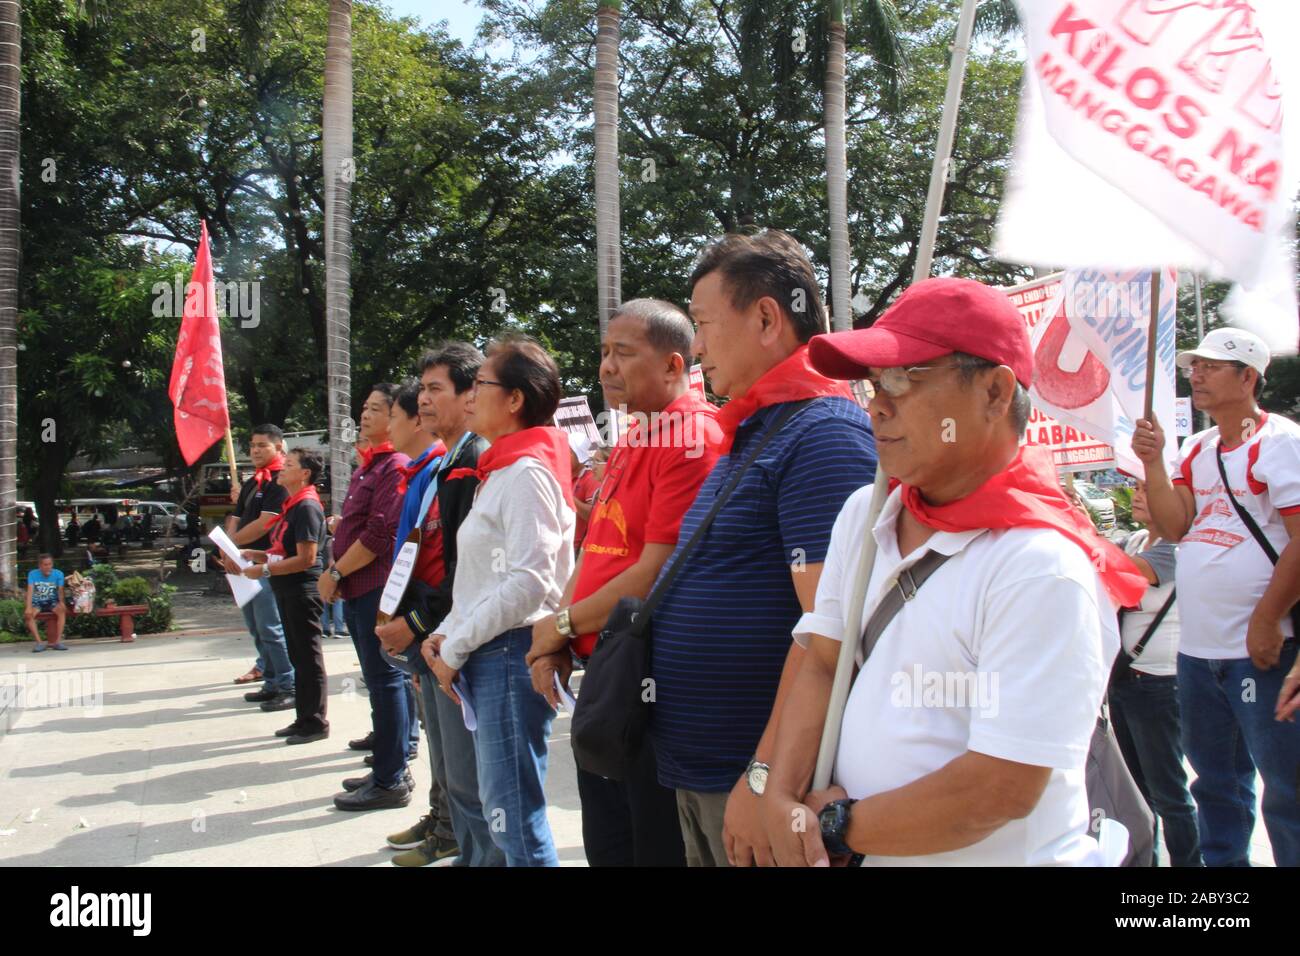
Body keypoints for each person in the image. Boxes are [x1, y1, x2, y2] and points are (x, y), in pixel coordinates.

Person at [754, 276, 1144, 866]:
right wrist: (780, 797)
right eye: (873, 383)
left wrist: (833, 829)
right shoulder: (866, 511)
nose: (878, 403)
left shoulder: (1040, 565)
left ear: (993, 392)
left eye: (904, 378)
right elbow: (822, 660)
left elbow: (997, 788)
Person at [643, 230, 877, 867]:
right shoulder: (761, 428)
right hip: (711, 773)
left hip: (753, 783)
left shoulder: (823, 437)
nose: (697, 347)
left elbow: (829, 639)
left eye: (704, 324)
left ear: (767, 318)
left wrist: (766, 778)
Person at [527, 298, 723, 866]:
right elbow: (596, 552)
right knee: (611, 844)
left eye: (625, 353)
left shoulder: (694, 439)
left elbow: (656, 570)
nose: (607, 367)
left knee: (652, 845)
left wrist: (558, 625)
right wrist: (558, 635)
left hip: (654, 682)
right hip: (607, 671)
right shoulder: (639, 434)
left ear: (673, 365)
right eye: (605, 353)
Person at [1133, 327, 1300, 867]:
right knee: (1215, 786)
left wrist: (1267, 620)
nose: (1195, 376)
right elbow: (1177, 525)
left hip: (1265, 652)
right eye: (1193, 367)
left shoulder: (1281, 442)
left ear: (1248, 377)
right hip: (1199, 655)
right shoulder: (1198, 447)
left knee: (1287, 793)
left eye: (1210, 367)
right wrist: (1155, 462)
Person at [421, 334, 575, 867]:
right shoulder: (504, 470)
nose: (470, 398)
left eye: (481, 385)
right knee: (501, 811)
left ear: (514, 399)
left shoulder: (527, 473)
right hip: (491, 650)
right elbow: (484, 579)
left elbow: (531, 582)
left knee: (514, 817)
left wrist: (456, 643)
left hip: (508, 653)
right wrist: (449, 632)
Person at [378, 343, 505, 867]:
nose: (423, 400)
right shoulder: (448, 463)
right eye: (421, 389)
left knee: (476, 787)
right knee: (456, 776)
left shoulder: (472, 461)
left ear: (471, 393)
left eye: (436, 389)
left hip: (459, 640)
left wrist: (416, 623)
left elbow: (465, 572)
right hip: (436, 638)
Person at [321, 384, 416, 811]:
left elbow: (380, 535)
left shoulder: (394, 465)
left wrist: (338, 570)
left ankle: (390, 777)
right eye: (365, 407)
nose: (367, 415)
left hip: (376, 588)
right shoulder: (369, 466)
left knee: (385, 679)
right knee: (378, 681)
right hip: (359, 588)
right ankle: (387, 762)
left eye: (378, 409)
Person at [1109, 481, 1202, 867]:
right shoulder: (1135, 540)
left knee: (1169, 792)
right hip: (1124, 680)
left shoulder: (1179, 549)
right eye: (1138, 488)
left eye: (1150, 489)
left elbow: (1124, 574)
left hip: (1159, 683)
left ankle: (1188, 863)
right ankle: (1148, 858)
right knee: (1136, 788)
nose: (1140, 496)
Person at [240, 449, 330, 745]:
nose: (282, 469)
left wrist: (264, 569)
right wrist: (259, 555)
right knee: (299, 657)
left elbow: (306, 558)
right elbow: (285, 551)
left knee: (307, 657)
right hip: (288, 589)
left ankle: (315, 722)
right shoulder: (293, 505)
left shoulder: (305, 506)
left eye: (288, 465)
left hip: (302, 590)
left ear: (304, 473)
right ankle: (303, 717)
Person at [220, 425, 296, 703]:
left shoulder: (280, 481)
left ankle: (288, 684)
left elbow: (266, 523)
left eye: (262, 445)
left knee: (271, 627)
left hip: (267, 563)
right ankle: (272, 680)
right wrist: (229, 548)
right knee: (255, 626)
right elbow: (236, 518)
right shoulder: (252, 482)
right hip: (242, 564)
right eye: (252, 445)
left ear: (279, 447)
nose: (255, 450)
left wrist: (234, 547)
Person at [25, 554, 68, 652]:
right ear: (40, 566)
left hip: (52, 600)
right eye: (45, 565)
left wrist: (61, 602)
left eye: (50, 564)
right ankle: (39, 643)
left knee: (62, 610)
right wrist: (28, 607)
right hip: (38, 601)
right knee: (28, 615)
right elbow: (30, 591)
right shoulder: (33, 574)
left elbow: (60, 590)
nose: (48, 567)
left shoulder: (58, 574)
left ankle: (57, 642)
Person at [568, 433, 600, 548]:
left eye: (569, 452)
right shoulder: (563, 477)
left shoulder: (590, 479)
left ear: (579, 455)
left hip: (580, 549)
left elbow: (595, 515)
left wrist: (570, 498)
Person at [320, 532, 348, 639]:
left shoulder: (322, 540)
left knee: (324, 603)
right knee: (337, 602)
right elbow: (332, 560)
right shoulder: (333, 540)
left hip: (321, 573)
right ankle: (339, 630)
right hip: (333, 574)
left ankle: (325, 630)